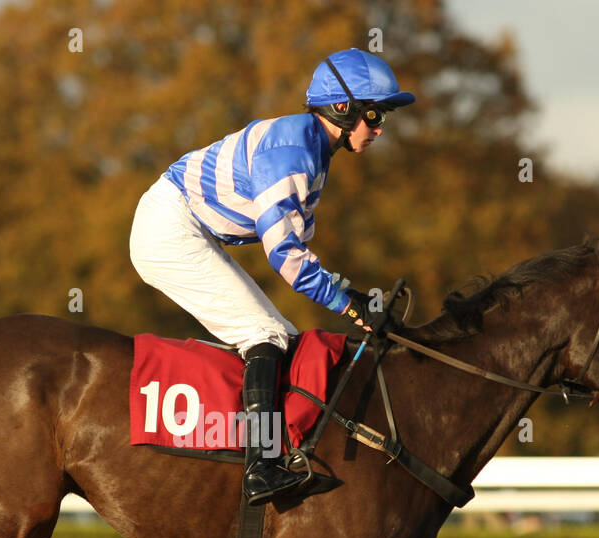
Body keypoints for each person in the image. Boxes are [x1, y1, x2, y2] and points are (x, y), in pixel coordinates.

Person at [130, 48, 415, 504]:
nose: (380, 128)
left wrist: (350, 296)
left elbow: (298, 250)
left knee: (279, 335)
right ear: (342, 109)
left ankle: (266, 453)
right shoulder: (293, 153)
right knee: (265, 334)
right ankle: (260, 467)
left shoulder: (312, 148)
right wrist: (348, 303)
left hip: (185, 224)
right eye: (375, 115)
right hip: (169, 229)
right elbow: (285, 257)